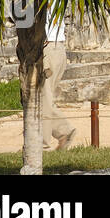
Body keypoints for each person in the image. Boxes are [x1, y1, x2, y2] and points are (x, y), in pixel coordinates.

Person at [42, 9, 75, 150]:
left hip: (46, 48)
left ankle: (40, 145)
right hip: (58, 47)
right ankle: (64, 131)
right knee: (45, 99)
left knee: (41, 100)